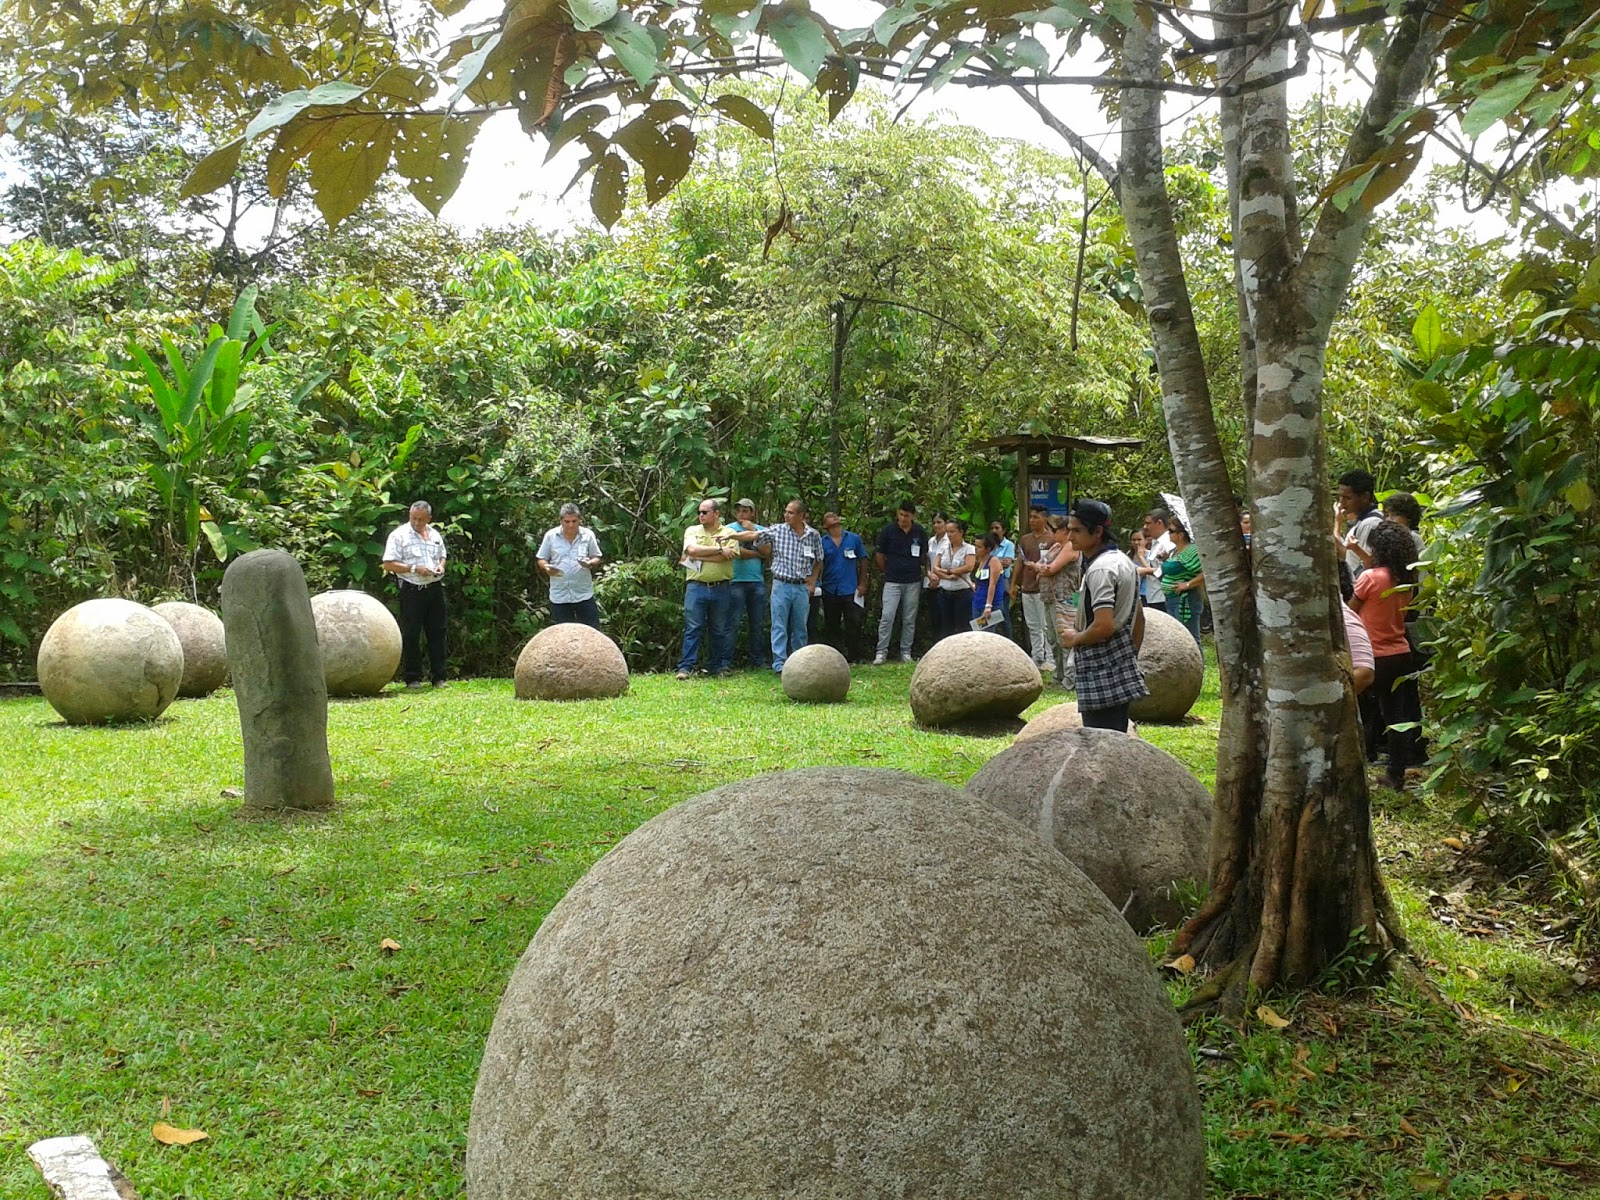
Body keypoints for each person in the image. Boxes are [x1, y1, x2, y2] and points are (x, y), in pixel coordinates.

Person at [1060, 499, 1148, 732]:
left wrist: (1074, 639)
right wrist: (1130, 657)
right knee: (1114, 736)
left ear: (1098, 531)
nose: (1070, 537)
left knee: (1099, 740)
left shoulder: (1101, 569)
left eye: (1076, 530)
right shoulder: (1123, 561)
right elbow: (1139, 617)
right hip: (1119, 661)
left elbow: (1103, 627)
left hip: (1099, 664)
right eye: (1069, 530)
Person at [1350, 520, 1425, 789]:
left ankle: (1356, 765)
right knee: (1396, 717)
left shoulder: (1370, 578)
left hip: (1370, 654)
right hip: (1400, 651)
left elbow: (1350, 611)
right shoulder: (1406, 579)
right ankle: (1396, 774)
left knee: (1356, 711)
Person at [380, 500, 448, 688]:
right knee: (411, 634)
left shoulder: (434, 534)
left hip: (434, 589)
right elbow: (388, 563)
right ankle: (412, 678)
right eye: (413, 518)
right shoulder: (399, 535)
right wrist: (414, 569)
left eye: (421, 520)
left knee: (438, 632)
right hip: (411, 589)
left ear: (429, 519)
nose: (417, 523)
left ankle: (439, 677)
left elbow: (443, 555)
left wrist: (440, 566)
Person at [752, 499, 824, 673]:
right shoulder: (778, 530)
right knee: (779, 625)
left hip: (801, 587)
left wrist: (812, 580)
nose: (786, 515)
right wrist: (733, 535)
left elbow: (819, 559)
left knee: (800, 626)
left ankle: (798, 662)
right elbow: (755, 538)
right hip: (782, 584)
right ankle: (779, 664)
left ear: (801, 516)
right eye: (786, 511)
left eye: (791, 512)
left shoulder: (813, 535)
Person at [675, 498, 739, 680]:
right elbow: (692, 551)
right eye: (699, 512)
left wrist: (705, 555)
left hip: (721, 587)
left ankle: (716, 667)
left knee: (718, 629)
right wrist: (719, 550)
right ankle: (686, 667)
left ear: (716, 513)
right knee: (693, 627)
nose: (700, 515)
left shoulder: (729, 532)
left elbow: (728, 557)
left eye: (705, 512)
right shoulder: (692, 530)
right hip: (696, 587)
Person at [873, 502, 928, 665]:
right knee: (887, 616)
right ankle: (881, 651)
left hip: (913, 580)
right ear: (898, 514)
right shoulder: (888, 531)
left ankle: (906, 651)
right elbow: (880, 555)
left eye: (907, 516)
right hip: (892, 580)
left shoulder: (919, 532)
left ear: (913, 516)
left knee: (909, 618)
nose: (903, 518)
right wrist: (888, 571)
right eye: (901, 514)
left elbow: (924, 556)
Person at [536, 503, 604, 629]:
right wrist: (546, 568)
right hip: (560, 596)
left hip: (583, 594)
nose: (571, 525)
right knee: (565, 637)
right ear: (561, 521)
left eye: (574, 521)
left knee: (592, 633)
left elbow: (597, 557)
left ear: (580, 520)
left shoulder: (588, 535)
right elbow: (541, 558)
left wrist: (590, 563)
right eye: (567, 521)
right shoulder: (551, 536)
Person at [1036, 516, 1081, 688]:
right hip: (1049, 597)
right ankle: (1058, 674)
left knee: (1065, 637)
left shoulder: (1070, 547)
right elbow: (1039, 566)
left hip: (1065, 597)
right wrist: (1041, 569)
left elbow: (1050, 568)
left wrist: (1042, 569)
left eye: (1054, 530)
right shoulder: (1056, 546)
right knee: (1053, 638)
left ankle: (1070, 678)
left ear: (1064, 531)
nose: (1052, 533)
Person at [727, 498, 771, 670]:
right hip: (735, 581)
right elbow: (735, 552)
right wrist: (757, 554)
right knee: (732, 623)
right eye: (738, 511)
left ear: (752, 512)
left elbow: (767, 551)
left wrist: (753, 531)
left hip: (756, 581)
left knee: (757, 623)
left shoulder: (761, 530)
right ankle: (726, 661)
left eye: (745, 511)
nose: (741, 514)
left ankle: (757, 660)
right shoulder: (729, 529)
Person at [818, 511, 867, 661]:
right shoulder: (822, 541)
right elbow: (818, 564)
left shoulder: (853, 539)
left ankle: (855, 657)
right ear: (825, 526)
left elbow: (863, 560)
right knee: (832, 625)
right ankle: (837, 657)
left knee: (853, 623)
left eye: (835, 517)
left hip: (850, 588)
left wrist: (863, 583)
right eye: (830, 520)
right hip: (830, 588)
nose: (833, 517)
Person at [1159, 515, 1206, 647]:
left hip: (1186, 600)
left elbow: (1206, 572)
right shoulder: (1174, 551)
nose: (1168, 533)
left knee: (1190, 638)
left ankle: (1198, 666)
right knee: (1178, 639)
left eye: (1171, 531)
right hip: (1171, 599)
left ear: (1181, 534)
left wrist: (1188, 584)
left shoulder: (1192, 550)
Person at [1016, 505, 1053, 667]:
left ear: (1045, 519)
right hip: (1027, 586)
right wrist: (1014, 584)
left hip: (1043, 588)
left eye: (1035, 517)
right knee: (1032, 625)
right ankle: (1037, 656)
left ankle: (1051, 658)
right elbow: (1019, 562)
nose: (1031, 520)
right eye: (1030, 517)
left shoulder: (1052, 539)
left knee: (1045, 625)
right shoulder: (1025, 539)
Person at [929, 518, 976, 641]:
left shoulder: (969, 548)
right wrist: (948, 575)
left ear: (961, 532)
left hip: (962, 592)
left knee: (963, 625)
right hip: (945, 590)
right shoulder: (944, 547)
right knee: (945, 625)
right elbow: (935, 567)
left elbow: (968, 566)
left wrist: (950, 571)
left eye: (953, 532)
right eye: (948, 532)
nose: (949, 535)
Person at [1335, 468, 1383, 577]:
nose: (1341, 503)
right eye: (1340, 497)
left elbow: (1368, 565)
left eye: (1347, 498)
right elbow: (1348, 555)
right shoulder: (1361, 521)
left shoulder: (1370, 524)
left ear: (1365, 497)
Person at [1339, 562, 1375, 696]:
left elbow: (1364, 673)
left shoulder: (1371, 577)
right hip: (1395, 649)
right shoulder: (1399, 578)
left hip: (1374, 650)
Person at [972, 531, 1010, 637]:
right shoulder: (980, 561)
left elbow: (992, 584)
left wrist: (988, 606)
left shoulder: (994, 561)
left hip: (991, 606)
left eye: (979, 547)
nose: (976, 549)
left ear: (987, 549)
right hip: (977, 603)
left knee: (985, 635)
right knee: (977, 634)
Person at [1140, 509, 1175, 613]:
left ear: (1159, 523)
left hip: (1164, 597)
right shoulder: (1155, 543)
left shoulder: (1168, 543)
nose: (1145, 527)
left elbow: (1170, 570)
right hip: (1153, 596)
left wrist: (1145, 571)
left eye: (1148, 523)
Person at [1129, 529, 1165, 609]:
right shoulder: (1128, 555)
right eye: (1133, 540)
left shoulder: (1152, 555)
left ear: (1145, 540)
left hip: (1149, 594)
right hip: (1134, 594)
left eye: (1139, 539)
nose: (1136, 542)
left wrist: (1141, 557)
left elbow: (1156, 572)